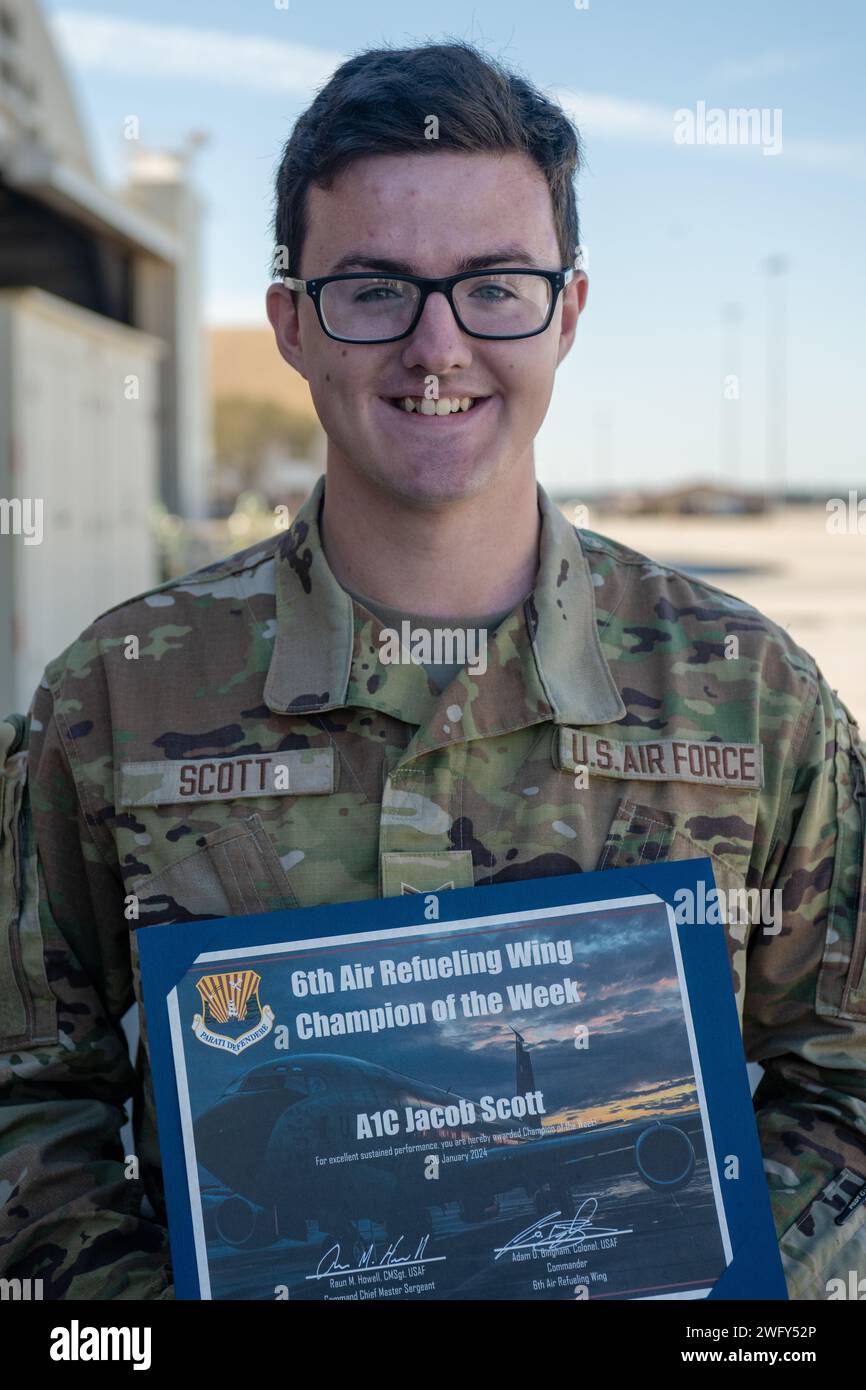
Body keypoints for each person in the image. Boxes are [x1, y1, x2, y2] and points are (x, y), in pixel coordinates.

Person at [1, 41, 864, 1302]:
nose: (436, 345)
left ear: (565, 314)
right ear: (292, 323)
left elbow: (842, 1085)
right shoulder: (117, 698)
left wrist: (705, 1291)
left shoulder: (752, 698)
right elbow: (27, 1101)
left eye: (493, 287)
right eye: (373, 289)